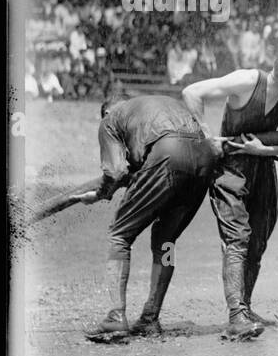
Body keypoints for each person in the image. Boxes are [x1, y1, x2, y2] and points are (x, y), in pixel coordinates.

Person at [183, 51, 278, 339]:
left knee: (257, 241)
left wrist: (264, 151)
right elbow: (192, 92)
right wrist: (207, 137)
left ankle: (244, 307)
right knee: (237, 239)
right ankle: (236, 316)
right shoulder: (247, 81)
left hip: (263, 171)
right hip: (230, 171)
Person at [81, 94, 224, 341]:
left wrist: (100, 193)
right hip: (204, 158)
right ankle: (150, 317)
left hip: (169, 154)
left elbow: (115, 171)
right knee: (166, 241)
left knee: (119, 235)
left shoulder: (110, 120)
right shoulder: (153, 105)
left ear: (107, 112)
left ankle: (116, 317)